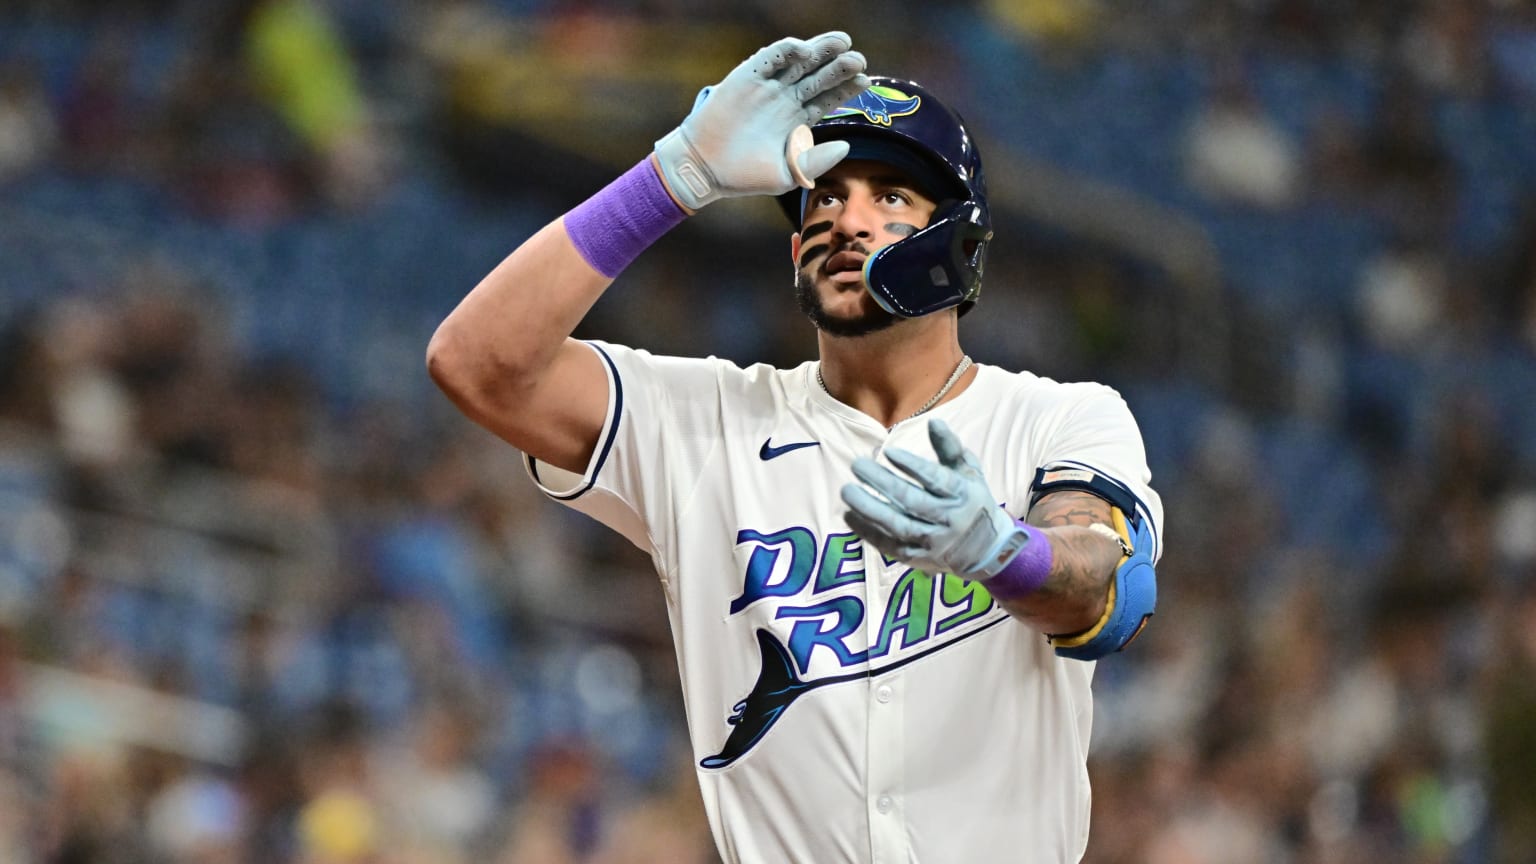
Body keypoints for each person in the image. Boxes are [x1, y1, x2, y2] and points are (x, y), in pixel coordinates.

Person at [428, 31, 1164, 864]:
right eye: (824, 198)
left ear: (960, 244)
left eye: (892, 198)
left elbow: (1106, 590)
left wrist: (1003, 551)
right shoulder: (705, 422)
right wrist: (674, 177)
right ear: (794, 250)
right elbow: (475, 363)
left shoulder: (1059, 417)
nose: (848, 219)